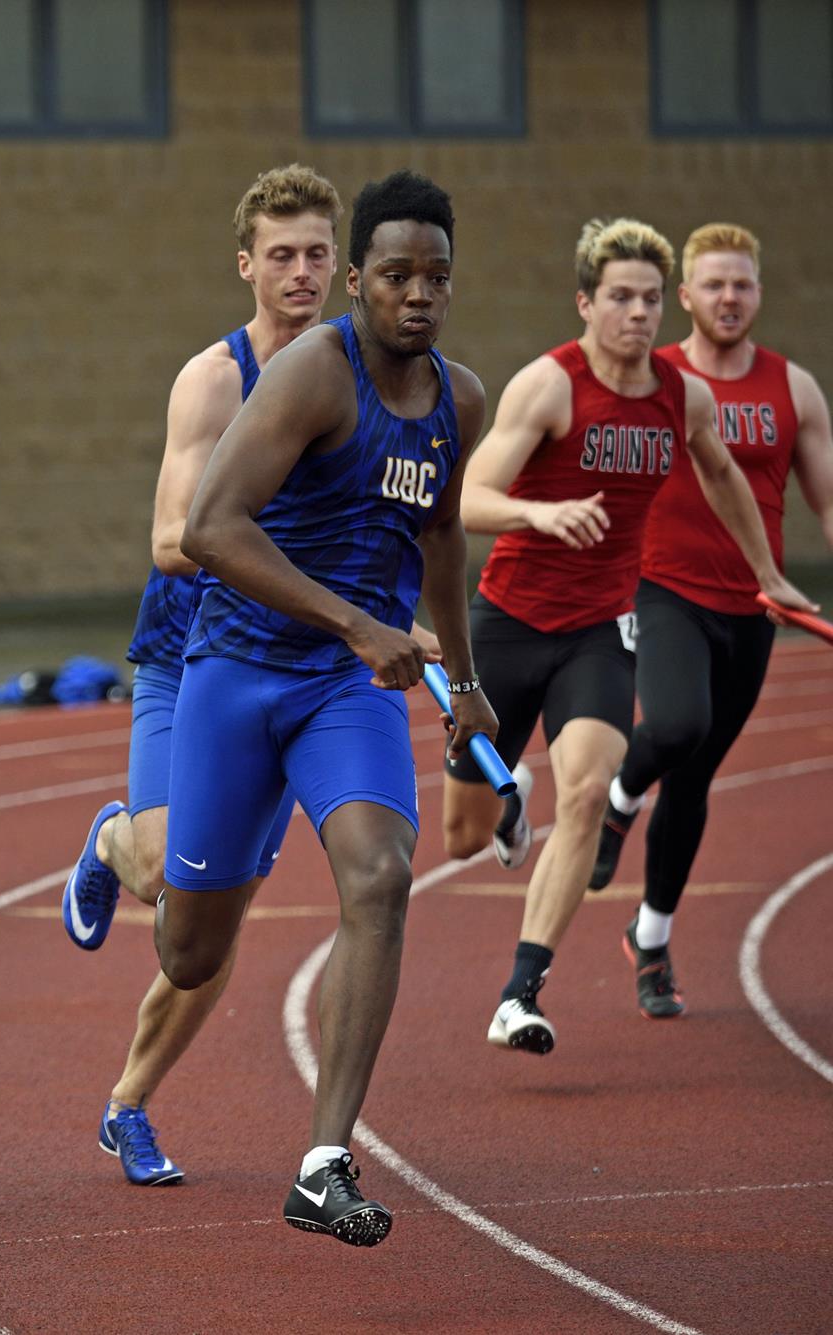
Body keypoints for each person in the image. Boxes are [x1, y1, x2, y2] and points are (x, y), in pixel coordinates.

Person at [171, 170, 493, 1246]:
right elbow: (212, 526)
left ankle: (321, 1161)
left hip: (337, 695)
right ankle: (122, 847)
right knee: (187, 957)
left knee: (381, 874)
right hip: (235, 673)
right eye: (395, 274)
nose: (416, 294)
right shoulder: (314, 373)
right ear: (356, 279)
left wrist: (465, 677)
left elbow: (442, 538)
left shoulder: (461, 398)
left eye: (434, 277)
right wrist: (355, 622)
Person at [442, 219, 814, 1058]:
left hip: (599, 631)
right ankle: (508, 794)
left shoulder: (682, 397)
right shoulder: (549, 385)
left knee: (589, 789)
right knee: (462, 836)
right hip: (507, 623)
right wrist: (539, 512)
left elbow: (723, 478)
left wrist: (768, 575)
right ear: (586, 302)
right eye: (621, 298)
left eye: (650, 299)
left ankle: (520, 991)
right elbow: (467, 500)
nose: (639, 315)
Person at [59, 164, 344, 1187]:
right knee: (173, 868)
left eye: (317, 254)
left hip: (297, 665)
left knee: (208, 929)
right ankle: (107, 839)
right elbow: (174, 539)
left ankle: (127, 1105)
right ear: (245, 266)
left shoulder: (363, 378)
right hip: (191, 657)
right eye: (280, 255)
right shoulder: (214, 380)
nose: (300, 272)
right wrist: (316, 560)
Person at [588, 223, 833, 1017]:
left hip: (754, 608)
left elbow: (828, 503)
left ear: (758, 293)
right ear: (685, 297)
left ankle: (650, 937)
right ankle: (621, 796)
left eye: (743, 284)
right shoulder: (653, 379)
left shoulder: (793, 389)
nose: (730, 298)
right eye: (714, 285)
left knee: (694, 779)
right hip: (661, 588)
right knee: (673, 723)